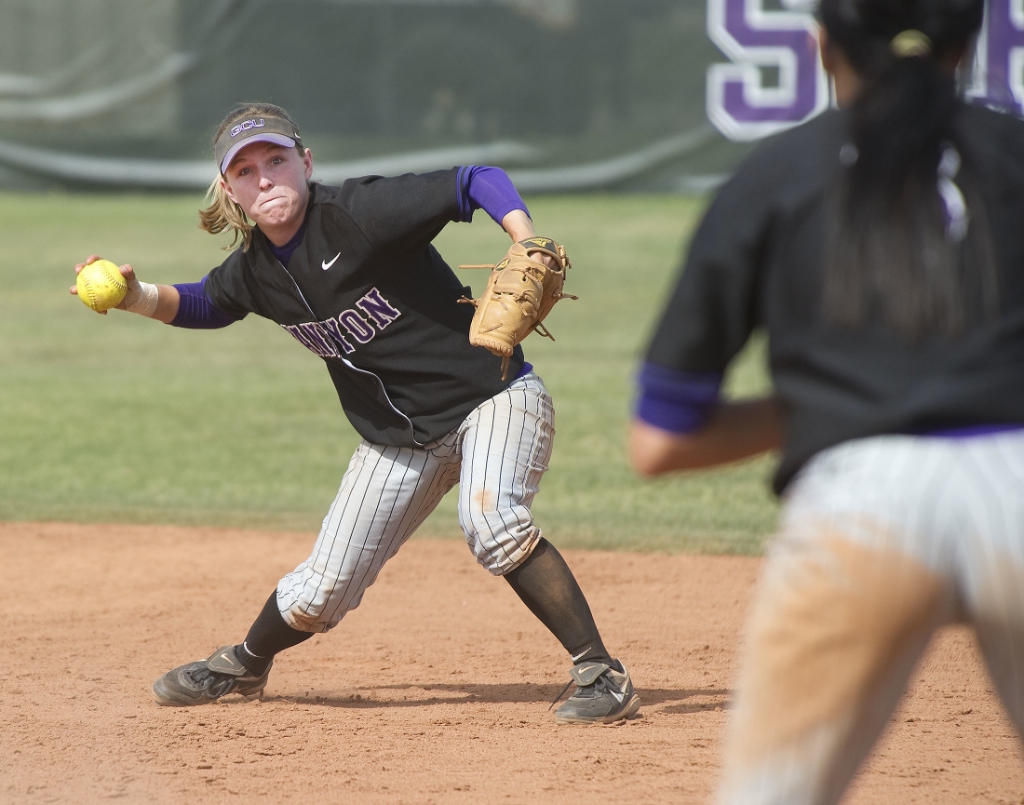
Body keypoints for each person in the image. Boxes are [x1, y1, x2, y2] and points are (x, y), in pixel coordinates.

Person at [72, 102, 639, 725]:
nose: (264, 178)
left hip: (493, 401)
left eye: (276, 161)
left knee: (492, 521)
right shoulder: (258, 270)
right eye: (245, 170)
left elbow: (472, 179)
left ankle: (601, 673)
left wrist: (522, 235)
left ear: (306, 163)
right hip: (396, 442)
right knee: (320, 590)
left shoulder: (359, 215)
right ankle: (244, 663)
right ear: (229, 191)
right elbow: (208, 301)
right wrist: (132, 296)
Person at [629, 0, 1024, 801]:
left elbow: (659, 441)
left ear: (821, 47)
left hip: (860, 506)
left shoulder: (775, 175)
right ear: (967, 46)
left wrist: (836, 404)